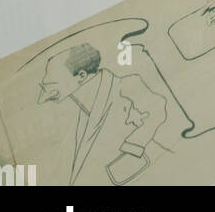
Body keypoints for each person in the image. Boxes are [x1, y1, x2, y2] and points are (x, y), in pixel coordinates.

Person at [37, 43, 168, 185]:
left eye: (53, 81)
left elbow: (157, 108)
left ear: (81, 75)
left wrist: (133, 147)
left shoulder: (124, 85)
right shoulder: (80, 111)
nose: (46, 91)